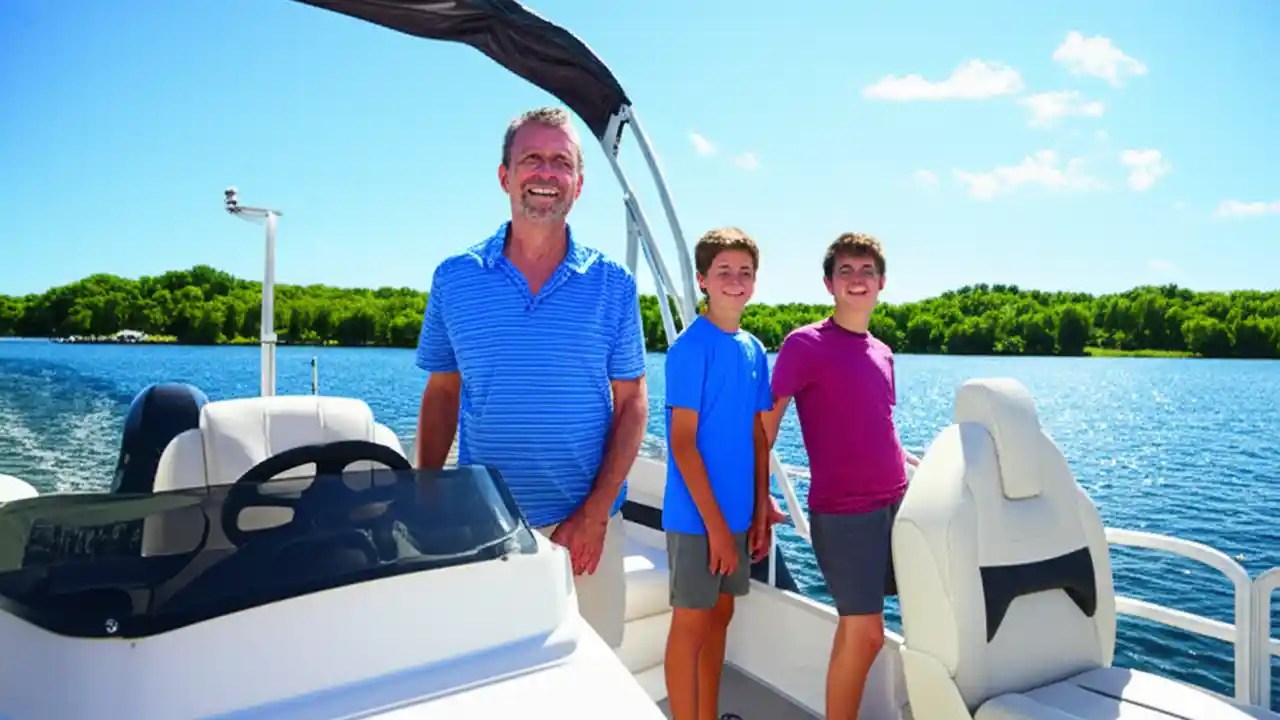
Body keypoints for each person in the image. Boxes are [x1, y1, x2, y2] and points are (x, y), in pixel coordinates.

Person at [413, 106, 648, 650]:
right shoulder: (454, 279)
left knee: (591, 685)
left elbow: (632, 402)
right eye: (532, 159)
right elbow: (443, 392)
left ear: (578, 184)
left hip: (589, 529)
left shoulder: (613, 285)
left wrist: (593, 514)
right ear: (505, 176)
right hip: (484, 527)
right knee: (494, 682)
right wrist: (425, 495)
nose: (546, 174)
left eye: (561, 162)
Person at [763, 232, 920, 720]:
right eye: (846, 272)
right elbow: (764, 427)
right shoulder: (804, 345)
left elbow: (878, 421)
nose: (857, 280)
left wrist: (917, 465)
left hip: (900, 505)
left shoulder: (883, 351)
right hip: (845, 512)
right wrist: (757, 499)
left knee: (921, 616)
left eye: (866, 271)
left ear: (882, 283)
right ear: (829, 283)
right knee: (866, 630)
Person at [662, 227, 786, 720]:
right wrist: (714, 527)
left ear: (755, 281)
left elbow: (758, 436)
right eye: (724, 272)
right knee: (690, 627)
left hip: (737, 515)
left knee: (721, 618)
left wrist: (760, 509)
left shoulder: (754, 350)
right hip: (697, 520)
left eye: (745, 272)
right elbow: (683, 444)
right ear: (702, 280)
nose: (735, 281)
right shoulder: (691, 349)